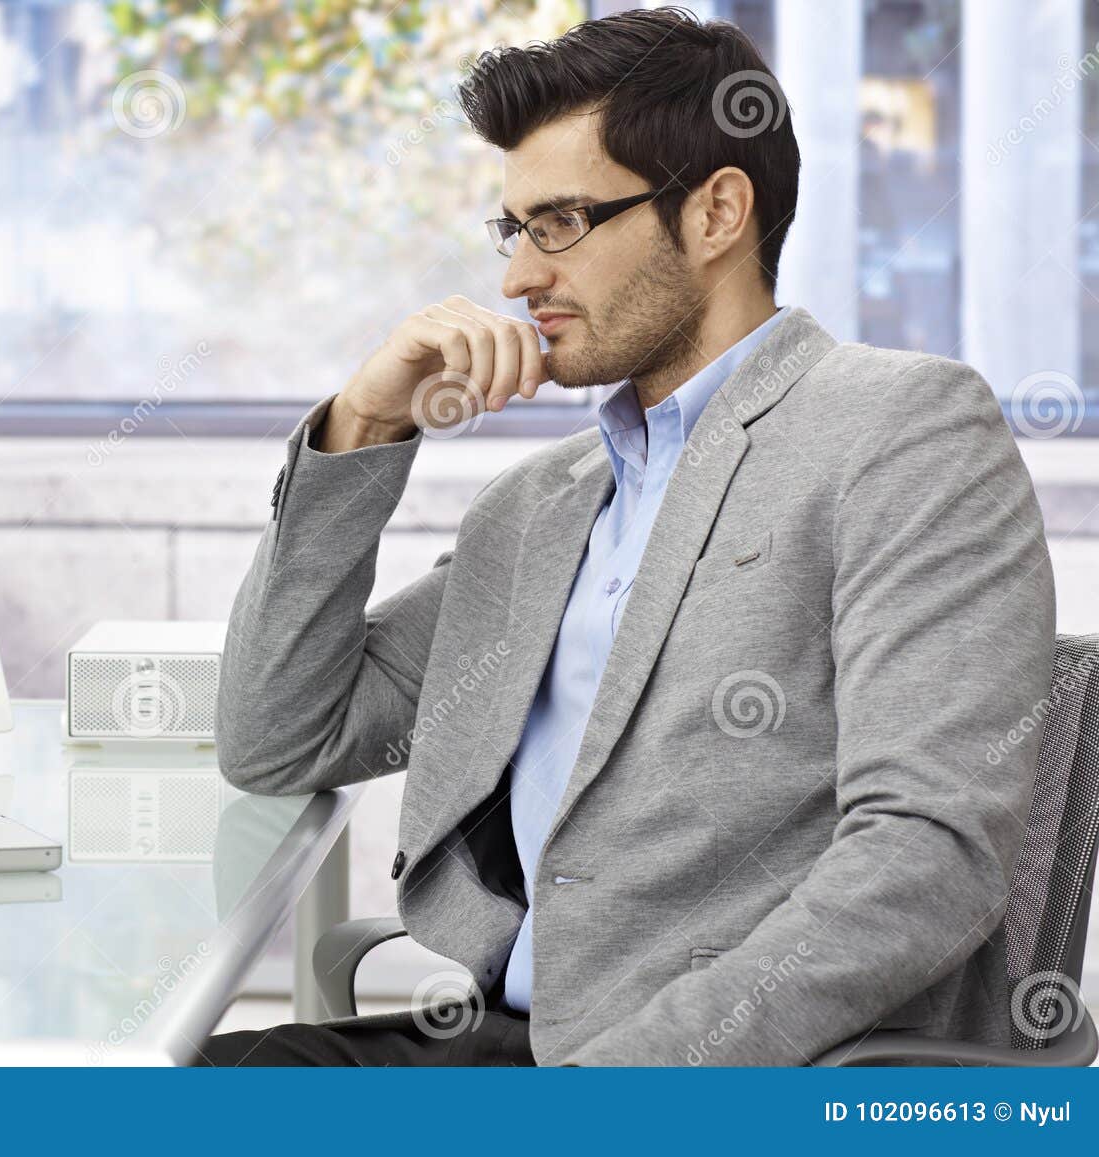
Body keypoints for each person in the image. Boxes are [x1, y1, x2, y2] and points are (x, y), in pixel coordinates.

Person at [201, 6, 1054, 1066]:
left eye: (560, 222)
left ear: (716, 213)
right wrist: (363, 424)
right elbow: (278, 737)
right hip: (503, 1042)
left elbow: (926, 858)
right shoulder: (540, 504)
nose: (517, 278)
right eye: (513, 230)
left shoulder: (900, 429)